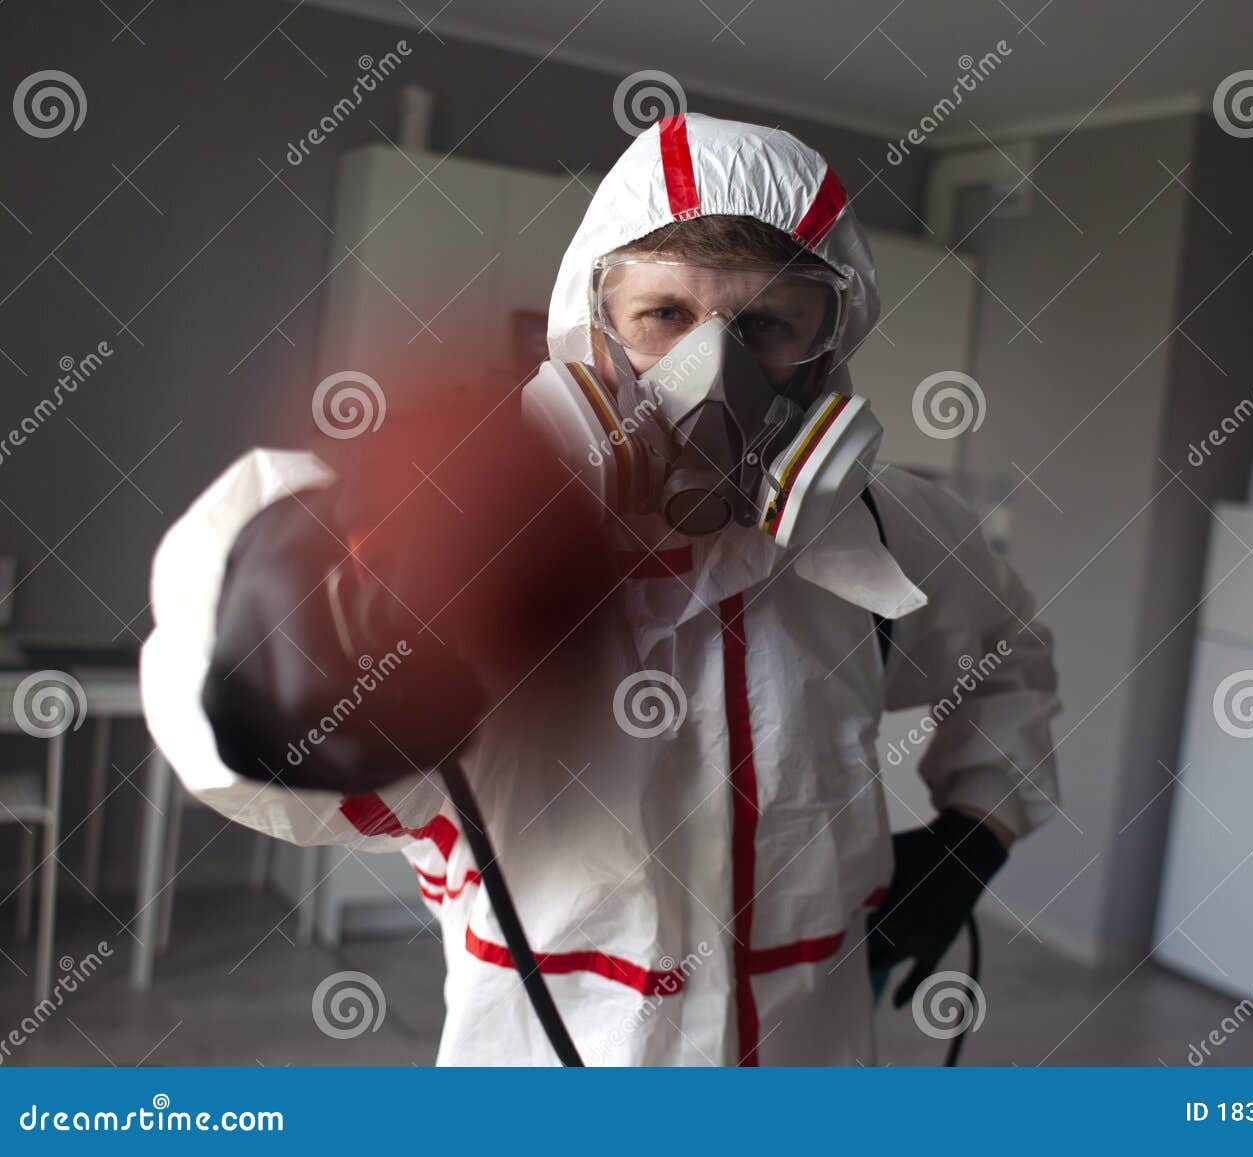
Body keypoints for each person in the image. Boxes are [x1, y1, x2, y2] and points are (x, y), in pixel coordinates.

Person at [141, 113, 1061, 1066]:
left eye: (767, 325)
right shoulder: (484, 548)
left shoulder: (884, 531)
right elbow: (235, 725)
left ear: (829, 345)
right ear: (595, 326)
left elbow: (1010, 660)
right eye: (665, 316)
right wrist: (289, 637)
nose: (715, 373)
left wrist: (972, 835)